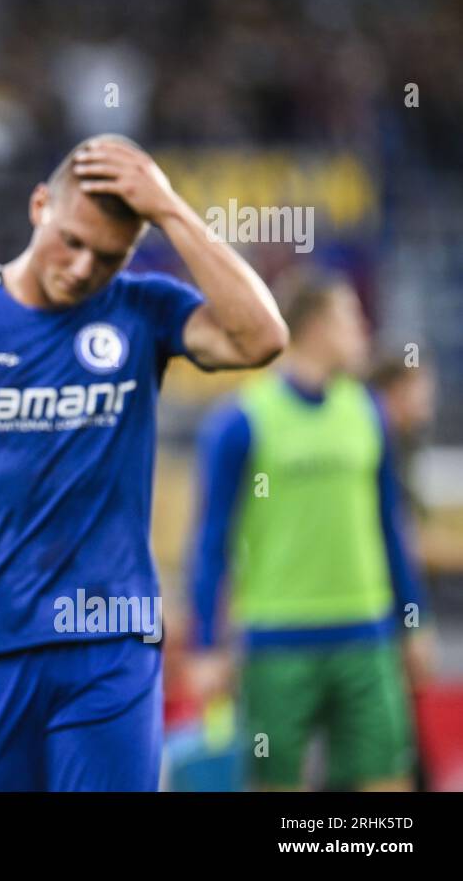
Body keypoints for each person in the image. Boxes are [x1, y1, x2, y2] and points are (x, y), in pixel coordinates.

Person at [0, 134, 287, 791]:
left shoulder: (143, 310)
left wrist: (173, 210)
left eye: (110, 256)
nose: (84, 267)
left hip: (110, 650)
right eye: (73, 240)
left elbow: (261, 337)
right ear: (40, 205)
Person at [186, 270, 433, 790]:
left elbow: (389, 524)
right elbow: (211, 539)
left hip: (366, 634)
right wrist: (207, 643)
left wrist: (415, 620)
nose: (363, 330)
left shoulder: (367, 413)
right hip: (278, 641)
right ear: (317, 326)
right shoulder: (242, 420)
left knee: (389, 781)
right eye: (351, 318)